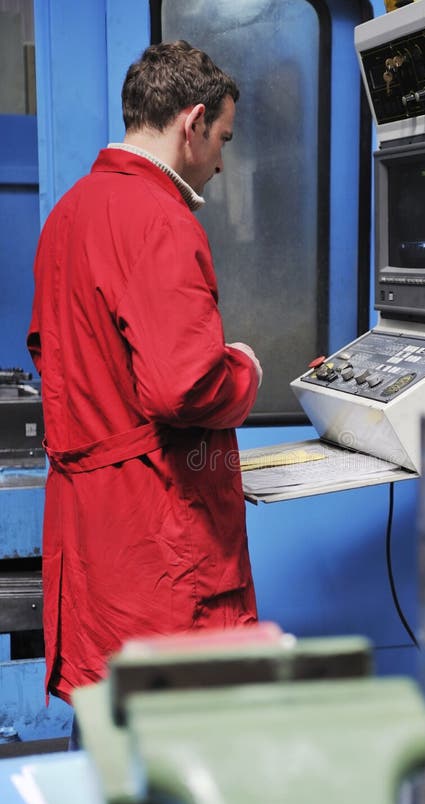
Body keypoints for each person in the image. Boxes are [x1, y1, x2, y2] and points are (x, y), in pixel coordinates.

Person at [27, 41, 262, 706]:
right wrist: (243, 372)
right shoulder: (160, 220)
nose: (220, 162)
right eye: (221, 138)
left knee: (107, 721)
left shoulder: (68, 215)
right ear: (191, 124)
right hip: (156, 537)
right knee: (174, 738)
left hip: (90, 536)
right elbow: (181, 385)